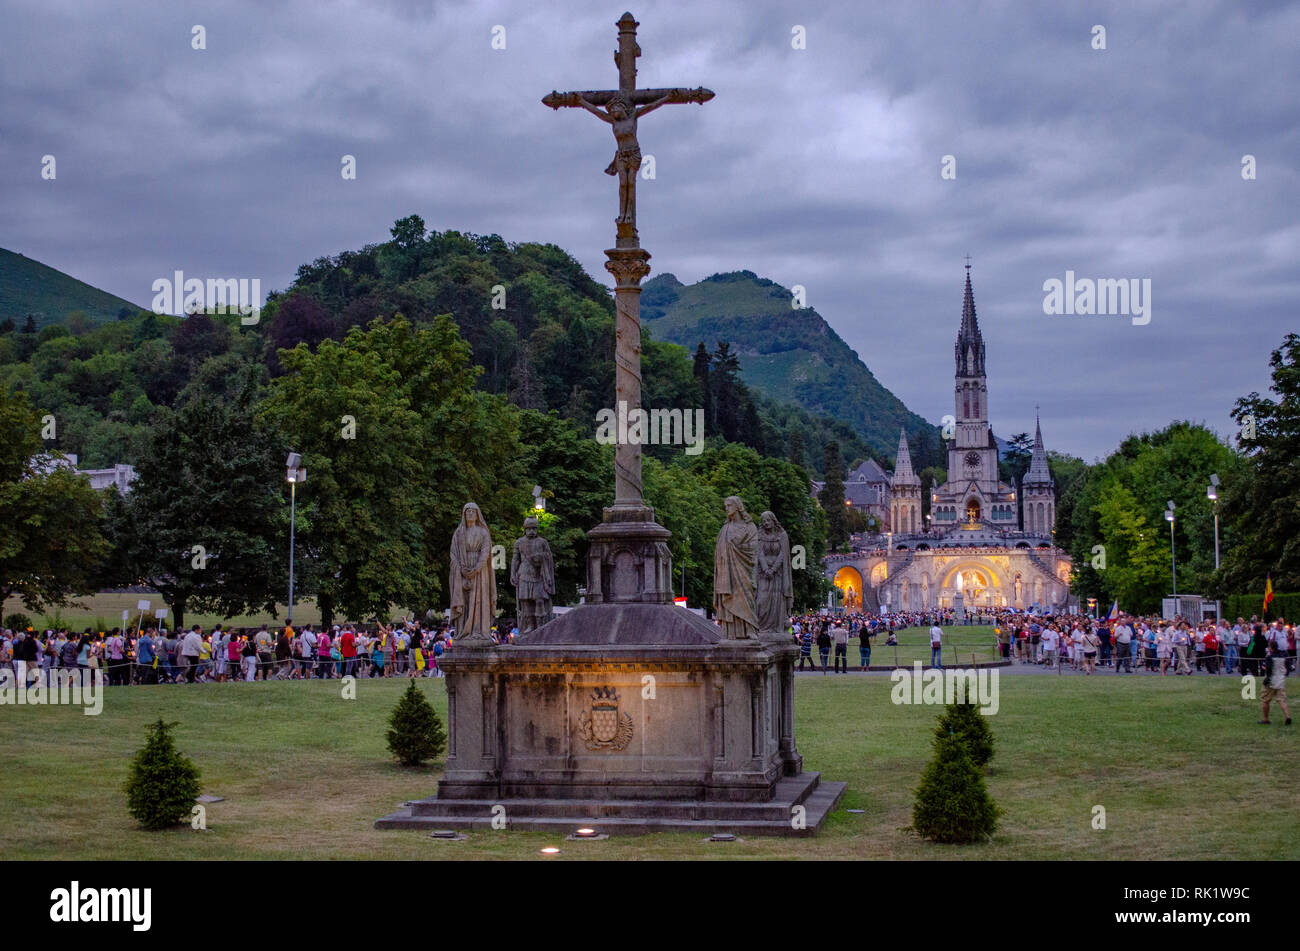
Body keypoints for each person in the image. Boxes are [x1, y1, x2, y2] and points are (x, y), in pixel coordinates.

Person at [1259, 646, 1292, 725]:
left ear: (1270, 648)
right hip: (1281, 680)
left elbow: (1268, 668)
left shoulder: (1270, 657)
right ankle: (1287, 716)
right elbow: (1289, 667)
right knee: (1281, 700)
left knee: (1265, 700)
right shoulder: (1283, 656)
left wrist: (1265, 671)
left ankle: (1266, 719)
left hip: (1271, 681)